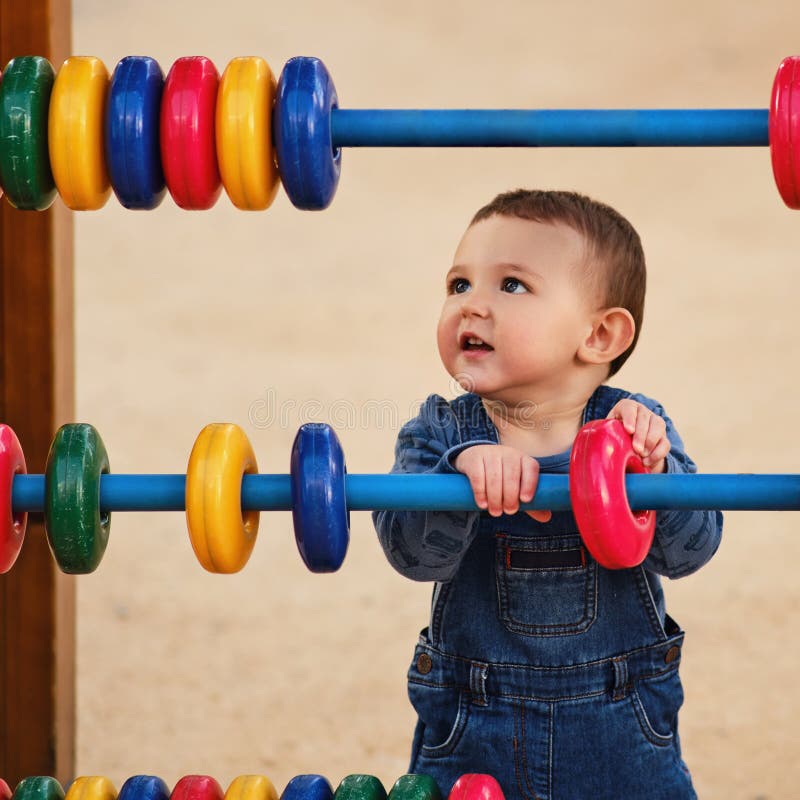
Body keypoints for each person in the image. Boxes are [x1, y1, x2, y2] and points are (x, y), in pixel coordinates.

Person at [372, 189, 723, 800]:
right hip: (473, 728)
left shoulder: (637, 429)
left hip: (622, 732)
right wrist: (459, 477)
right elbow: (412, 555)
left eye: (511, 286)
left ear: (600, 335)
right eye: (458, 285)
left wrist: (655, 474)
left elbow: (693, 550)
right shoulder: (439, 432)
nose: (471, 306)